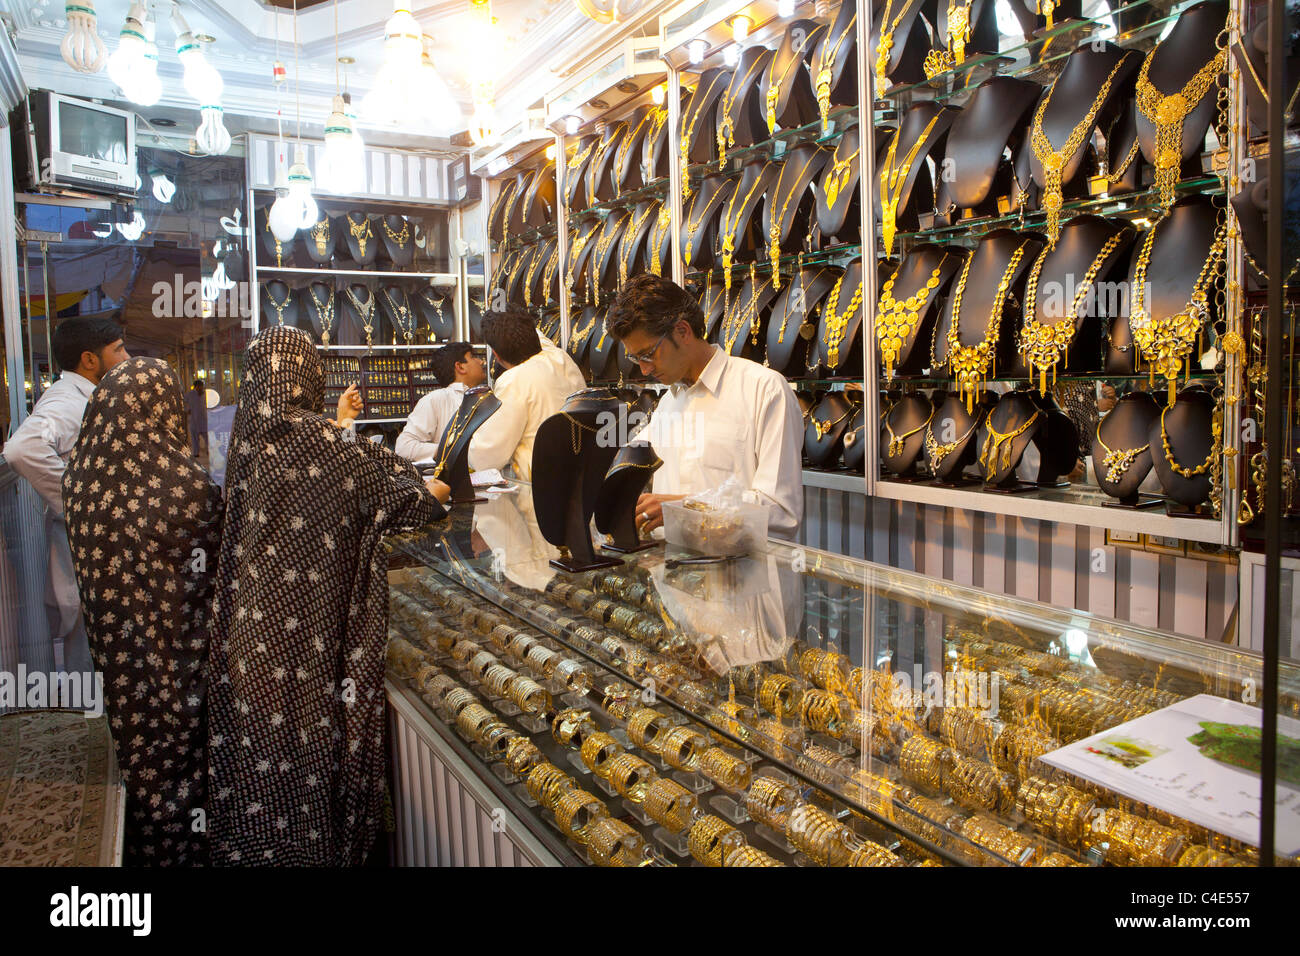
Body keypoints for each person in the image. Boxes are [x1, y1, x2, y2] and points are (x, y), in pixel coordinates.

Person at [205, 327, 451, 866]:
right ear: (309, 373)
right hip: (309, 638)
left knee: (262, 761)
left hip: (250, 635)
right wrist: (432, 492)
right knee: (308, 757)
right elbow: (412, 499)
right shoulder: (326, 442)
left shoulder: (249, 433)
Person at [62, 357, 223, 866]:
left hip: (122, 660)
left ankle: (149, 846)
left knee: (142, 752)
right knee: (185, 761)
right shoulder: (184, 487)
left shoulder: (81, 480)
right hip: (180, 661)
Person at [605, 274, 804, 540]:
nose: (644, 368)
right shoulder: (667, 404)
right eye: (635, 358)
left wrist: (683, 508)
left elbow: (781, 512)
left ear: (683, 331)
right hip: (672, 573)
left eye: (649, 354)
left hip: (741, 575)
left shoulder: (764, 390)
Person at [3, 315, 129, 672]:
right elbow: (21, 449)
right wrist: (78, 501)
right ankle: (90, 722)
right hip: (84, 543)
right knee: (89, 643)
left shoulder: (88, 396)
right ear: (90, 360)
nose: (126, 358)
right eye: (118, 349)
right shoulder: (68, 401)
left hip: (93, 542)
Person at [468, 307, 586, 482]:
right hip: (580, 485)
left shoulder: (513, 381)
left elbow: (484, 458)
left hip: (536, 495)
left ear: (496, 355)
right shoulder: (562, 359)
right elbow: (539, 339)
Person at [394, 341, 486, 461]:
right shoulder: (435, 400)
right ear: (460, 367)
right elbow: (404, 447)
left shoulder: (485, 396)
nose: (481, 361)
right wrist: (450, 451)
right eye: (473, 357)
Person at [187, 378, 209, 463]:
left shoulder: (204, 394)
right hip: (194, 420)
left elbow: (204, 405)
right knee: (195, 438)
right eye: (200, 386)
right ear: (196, 386)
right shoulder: (190, 394)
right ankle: (196, 453)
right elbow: (185, 403)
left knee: (207, 437)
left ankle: (209, 450)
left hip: (203, 419)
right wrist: (187, 410)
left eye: (202, 386)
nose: (201, 388)